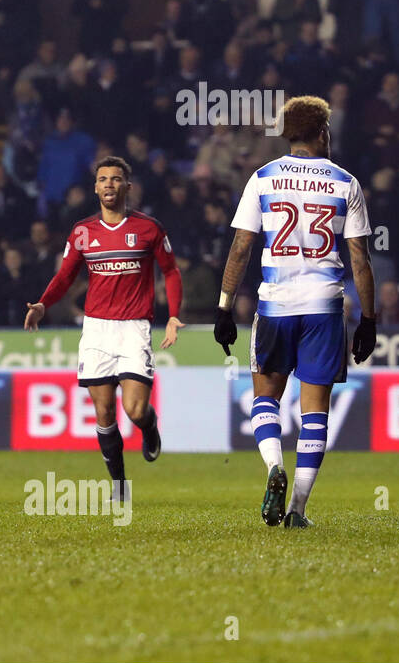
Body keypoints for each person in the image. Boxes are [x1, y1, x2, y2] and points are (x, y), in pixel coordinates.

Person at [214, 96, 376, 528]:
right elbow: (360, 259)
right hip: (325, 307)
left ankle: (273, 468)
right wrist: (369, 319)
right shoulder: (346, 183)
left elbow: (241, 248)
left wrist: (225, 307)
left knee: (265, 398)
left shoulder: (263, 178)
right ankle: (298, 511)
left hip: (275, 305)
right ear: (322, 131)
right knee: (315, 413)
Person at [25, 157, 184, 499]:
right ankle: (119, 485)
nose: (109, 184)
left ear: (128, 186)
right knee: (104, 411)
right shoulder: (82, 232)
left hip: (134, 327)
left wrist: (172, 315)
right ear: (95, 187)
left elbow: (170, 271)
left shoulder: (149, 229)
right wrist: (42, 304)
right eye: (103, 179)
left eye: (116, 179)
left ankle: (149, 426)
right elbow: (65, 275)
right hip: (96, 328)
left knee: (135, 409)